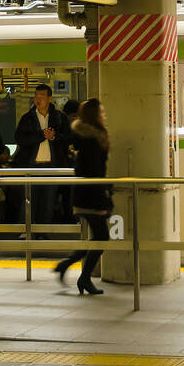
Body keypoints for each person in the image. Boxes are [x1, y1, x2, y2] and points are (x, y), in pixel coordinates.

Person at [53, 98, 112, 295]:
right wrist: (103, 200)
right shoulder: (92, 139)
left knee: (98, 237)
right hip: (90, 195)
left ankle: (70, 268)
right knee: (102, 237)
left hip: (86, 194)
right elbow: (94, 172)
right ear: (94, 115)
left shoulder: (87, 136)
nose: (104, 114)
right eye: (101, 111)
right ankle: (82, 276)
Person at [11, 84, 71, 229]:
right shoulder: (28, 118)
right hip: (31, 166)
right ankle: (26, 229)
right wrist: (40, 135)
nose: (38, 99)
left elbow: (68, 138)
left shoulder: (59, 117)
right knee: (29, 200)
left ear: (49, 98)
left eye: (42, 96)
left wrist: (54, 136)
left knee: (48, 201)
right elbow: (19, 139)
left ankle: (43, 231)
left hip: (52, 166)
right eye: (36, 95)